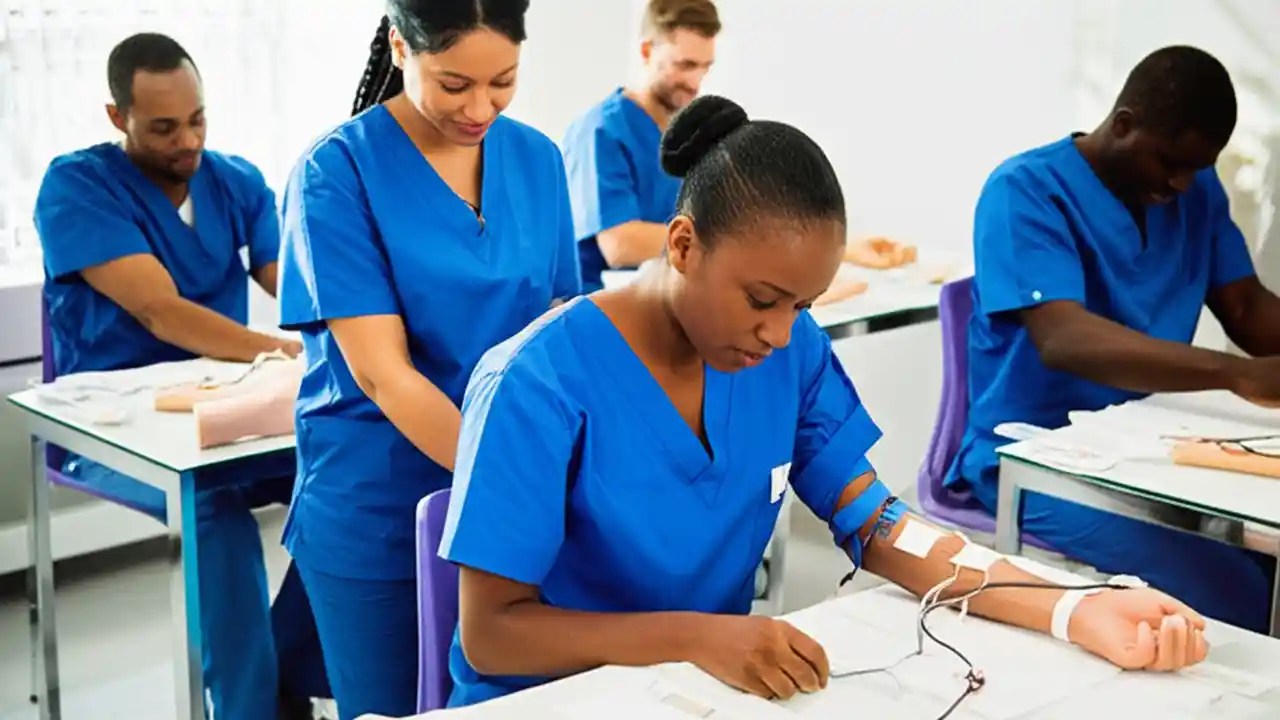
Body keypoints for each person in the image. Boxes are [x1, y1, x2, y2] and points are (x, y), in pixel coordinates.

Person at [440, 94, 1210, 708]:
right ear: (681, 245)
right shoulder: (538, 382)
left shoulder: (784, 354)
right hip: (552, 700)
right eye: (762, 300)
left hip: (694, 689)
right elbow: (494, 636)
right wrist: (699, 638)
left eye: (803, 307)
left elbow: (880, 525)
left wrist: (1071, 608)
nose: (779, 334)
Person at [275, 1, 580, 717]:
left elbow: (559, 331)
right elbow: (386, 375)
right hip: (378, 507)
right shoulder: (336, 173)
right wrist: (513, 481)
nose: (481, 107)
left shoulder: (535, 159)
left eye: (502, 81)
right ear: (399, 47)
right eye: (453, 85)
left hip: (513, 497)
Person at [33, 33, 328, 720]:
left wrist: (349, 319)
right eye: (163, 128)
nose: (187, 140)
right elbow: (162, 311)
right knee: (210, 510)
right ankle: (248, 710)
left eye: (197, 120)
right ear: (118, 119)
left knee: (347, 476)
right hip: (110, 427)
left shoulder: (236, 181)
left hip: (222, 415)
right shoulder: (77, 186)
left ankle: (289, 667)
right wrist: (281, 352)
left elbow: (291, 284)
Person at [948, 45, 1280, 634]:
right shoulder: (1025, 190)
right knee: (1234, 596)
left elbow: (1247, 306)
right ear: (1124, 124)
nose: (1181, 182)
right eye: (1170, 162)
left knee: (1270, 566)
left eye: (1198, 167)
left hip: (1150, 447)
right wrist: (1235, 373)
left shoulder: (1195, 192)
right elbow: (1064, 340)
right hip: (1036, 458)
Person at [561, 0, 720, 293]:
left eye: (704, 68)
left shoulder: (689, 137)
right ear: (647, 51)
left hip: (667, 297)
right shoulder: (602, 130)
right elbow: (620, 244)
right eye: (685, 65)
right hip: (606, 308)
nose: (696, 83)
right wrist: (720, 244)